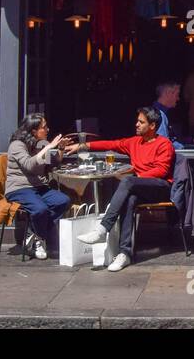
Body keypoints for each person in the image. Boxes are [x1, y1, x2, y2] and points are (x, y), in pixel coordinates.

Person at [67, 107, 176, 271]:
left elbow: (161, 170)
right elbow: (111, 143)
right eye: (137, 121)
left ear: (152, 126)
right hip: (139, 187)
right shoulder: (134, 142)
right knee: (129, 199)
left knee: (127, 182)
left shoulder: (164, 144)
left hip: (160, 187)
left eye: (141, 122)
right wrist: (83, 146)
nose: (136, 124)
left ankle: (103, 229)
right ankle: (125, 253)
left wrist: (136, 178)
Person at [4, 113, 70, 260]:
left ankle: (34, 232)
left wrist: (60, 149)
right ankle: (40, 240)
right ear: (34, 131)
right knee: (40, 209)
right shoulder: (17, 145)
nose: (47, 129)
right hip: (18, 188)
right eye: (44, 127)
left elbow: (53, 162)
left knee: (63, 201)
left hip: (37, 187)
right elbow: (29, 165)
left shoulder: (41, 144)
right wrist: (48, 147)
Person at [152, 81, 185, 149]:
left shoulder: (168, 114)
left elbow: (172, 138)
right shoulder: (156, 115)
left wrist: (191, 140)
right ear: (168, 93)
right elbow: (161, 144)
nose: (178, 98)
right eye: (177, 94)